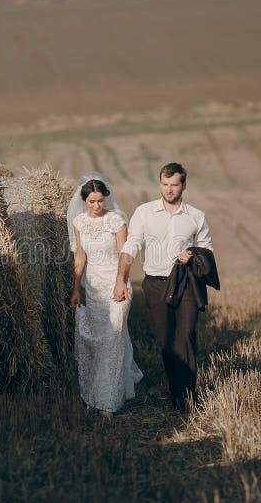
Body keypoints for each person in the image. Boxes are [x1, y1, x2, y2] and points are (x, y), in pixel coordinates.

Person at [113, 162, 216, 412]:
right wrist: (120, 279)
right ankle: (176, 390)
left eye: (174, 184)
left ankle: (187, 397)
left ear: (184, 185)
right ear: (160, 184)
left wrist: (192, 253)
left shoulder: (196, 216)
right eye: (165, 184)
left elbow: (207, 250)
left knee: (187, 336)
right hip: (156, 284)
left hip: (186, 282)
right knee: (166, 342)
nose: (169, 189)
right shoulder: (144, 212)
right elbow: (131, 247)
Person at [67, 173, 143, 416]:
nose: (97, 206)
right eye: (92, 202)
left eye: (100, 201)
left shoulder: (116, 221)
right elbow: (80, 257)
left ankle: (108, 402)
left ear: (106, 198)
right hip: (94, 287)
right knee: (97, 341)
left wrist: (121, 282)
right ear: (84, 201)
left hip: (117, 285)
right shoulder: (79, 223)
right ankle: (94, 394)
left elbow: (125, 254)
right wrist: (75, 288)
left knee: (113, 337)